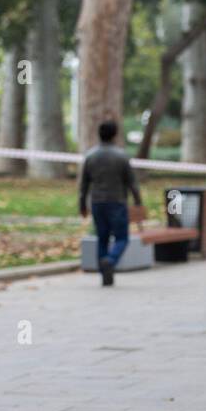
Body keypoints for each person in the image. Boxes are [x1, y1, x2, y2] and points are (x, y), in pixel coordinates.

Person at [78, 120, 142, 286]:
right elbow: (132, 182)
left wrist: (82, 205)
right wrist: (138, 201)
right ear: (115, 134)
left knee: (102, 238)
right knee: (122, 237)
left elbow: (84, 184)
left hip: (97, 202)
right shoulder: (121, 156)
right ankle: (111, 260)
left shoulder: (90, 156)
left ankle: (104, 272)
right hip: (117, 202)